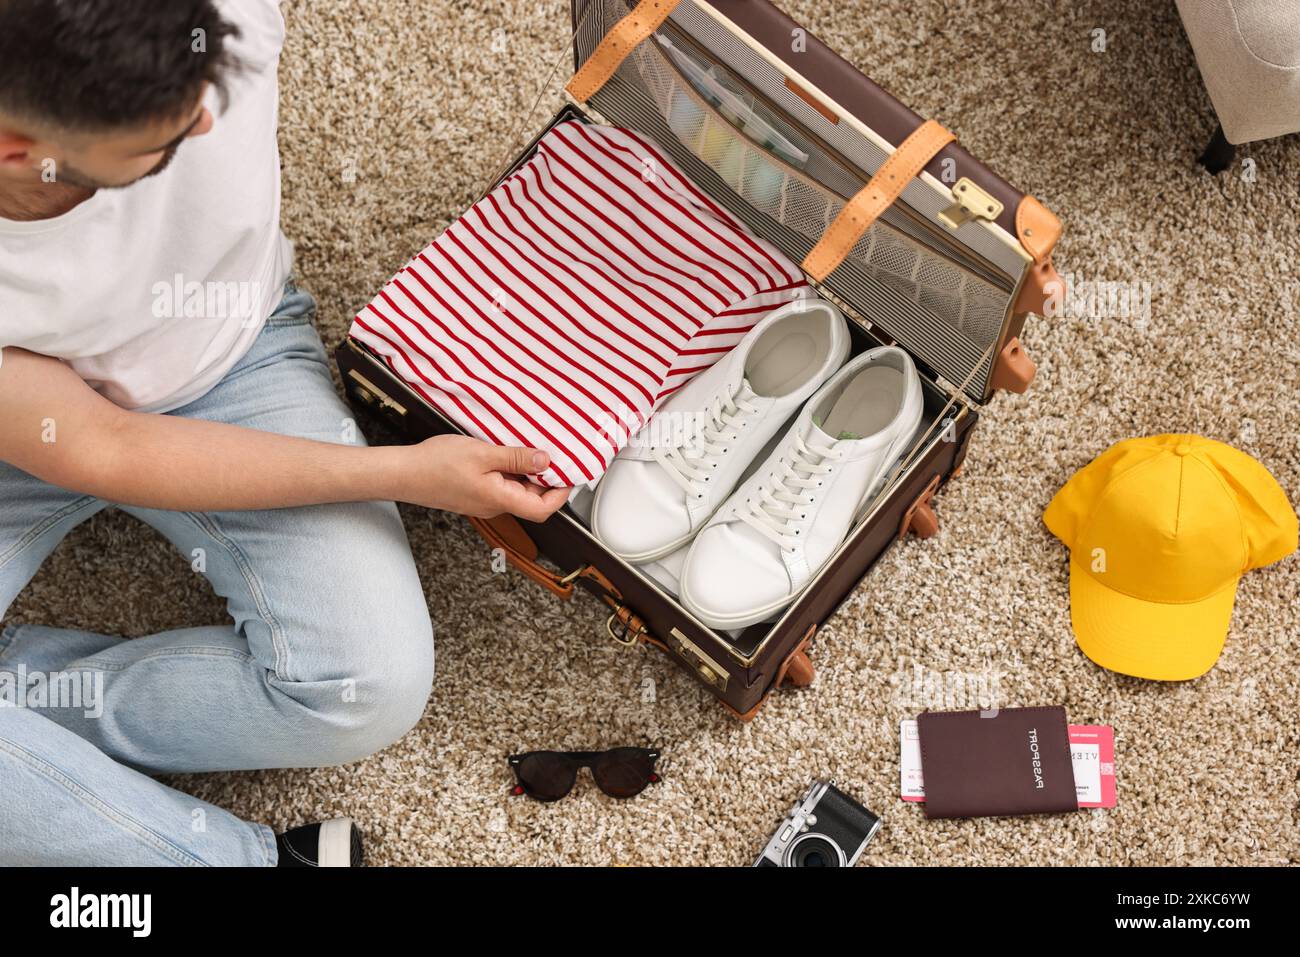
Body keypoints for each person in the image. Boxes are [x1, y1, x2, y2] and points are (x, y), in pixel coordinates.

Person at [0, 0, 566, 866]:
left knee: (365, 685)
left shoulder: (219, 30)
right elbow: (108, 448)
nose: (210, 119)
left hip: (237, 360)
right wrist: (403, 474)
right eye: (167, 145)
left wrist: (409, 470)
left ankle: (27, 693)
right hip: (28, 438)